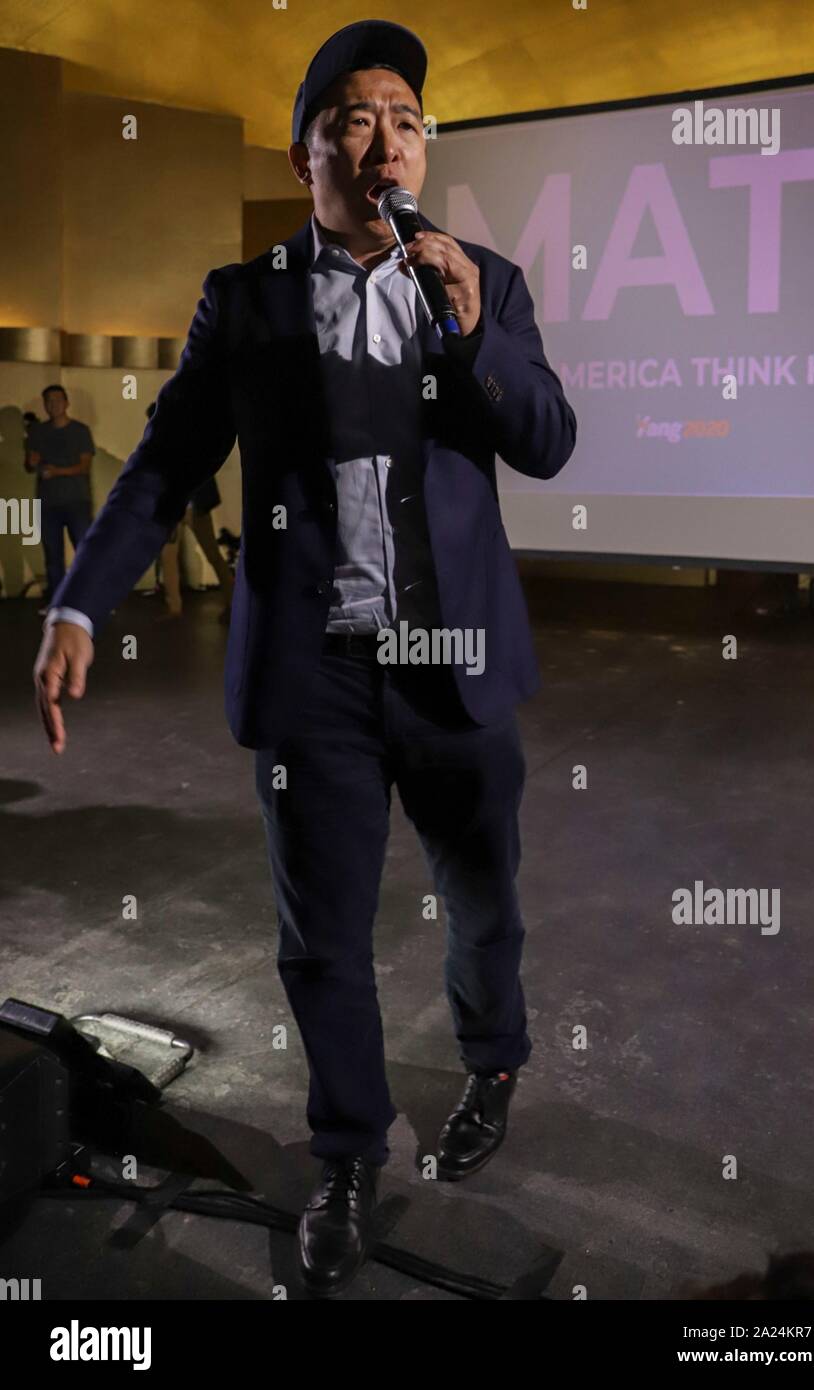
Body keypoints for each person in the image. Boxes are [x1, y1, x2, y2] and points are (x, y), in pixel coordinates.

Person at [33, 19, 577, 1298]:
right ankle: (345, 1154)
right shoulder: (250, 295)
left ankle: (492, 1057)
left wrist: (473, 329)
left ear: (421, 147)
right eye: (353, 114)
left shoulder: (482, 278)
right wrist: (75, 604)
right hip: (313, 675)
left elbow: (549, 439)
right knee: (319, 940)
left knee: (483, 896)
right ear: (306, 154)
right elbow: (168, 463)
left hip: (455, 660)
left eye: (403, 114)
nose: (383, 133)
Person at [146, 402, 235, 622]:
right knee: (169, 556)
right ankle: (174, 607)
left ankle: (233, 603)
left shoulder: (192, 440)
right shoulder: (160, 445)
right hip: (176, 506)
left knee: (211, 554)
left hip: (194, 507)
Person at [24, 386, 94, 613]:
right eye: (48, 401)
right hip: (47, 503)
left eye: (57, 400)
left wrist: (57, 472)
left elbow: (84, 467)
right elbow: (30, 465)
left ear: (66, 403)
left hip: (77, 501)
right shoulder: (37, 432)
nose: (53, 405)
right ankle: (57, 602)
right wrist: (31, 463)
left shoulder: (80, 431)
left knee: (84, 552)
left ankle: (91, 601)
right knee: (53, 557)